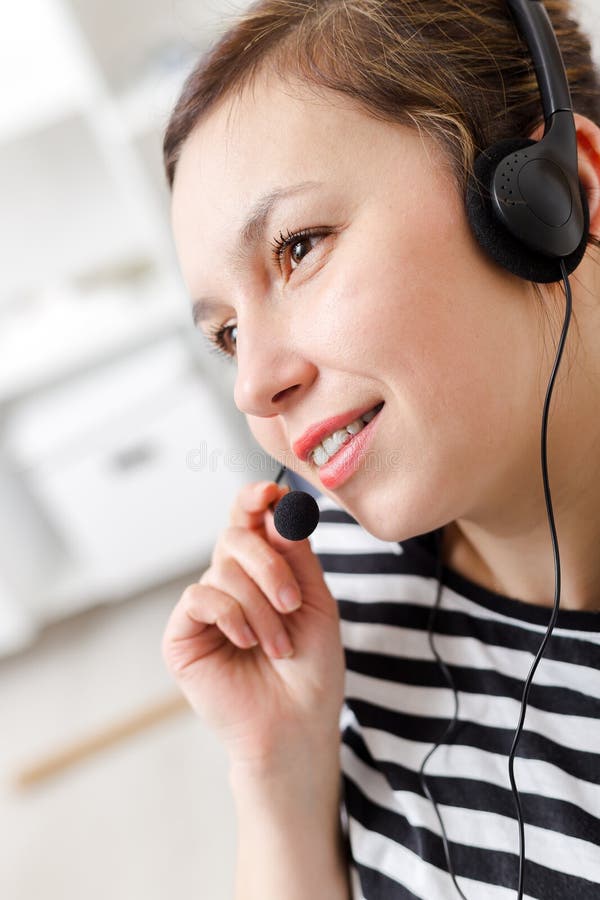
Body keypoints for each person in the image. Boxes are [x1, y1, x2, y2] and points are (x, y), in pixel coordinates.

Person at [160, 1, 600, 897]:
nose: (254, 387)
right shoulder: (336, 583)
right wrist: (280, 774)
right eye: (229, 334)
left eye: (299, 247)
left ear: (558, 194)